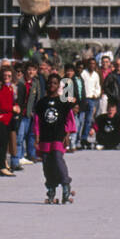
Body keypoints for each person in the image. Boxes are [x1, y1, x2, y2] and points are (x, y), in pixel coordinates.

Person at [33, 72, 76, 204]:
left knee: (57, 159)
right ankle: (51, 187)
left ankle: (65, 184)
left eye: (55, 83)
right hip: (45, 136)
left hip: (59, 135)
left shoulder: (63, 102)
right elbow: (36, 120)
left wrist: (68, 134)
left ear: (59, 86)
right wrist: (37, 136)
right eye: (50, 83)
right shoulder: (41, 103)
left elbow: (70, 119)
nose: (52, 85)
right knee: (47, 163)